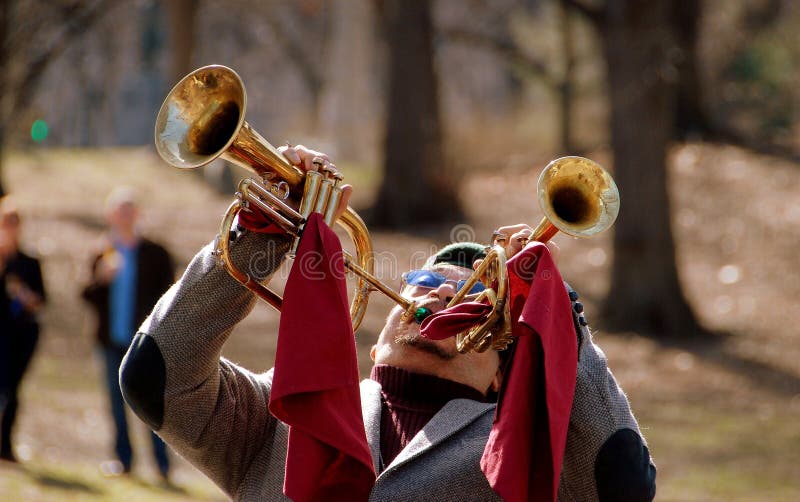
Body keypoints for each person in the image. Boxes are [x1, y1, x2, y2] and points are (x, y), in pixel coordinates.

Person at [119, 146, 656, 500]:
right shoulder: (284, 412)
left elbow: (625, 482)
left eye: (473, 298)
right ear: (378, 341)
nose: (443, 291)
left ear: (501, 375)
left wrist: (560, 320)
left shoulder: (526, 453)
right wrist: (263, 234)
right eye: (425, 281)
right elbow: (155, 374)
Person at [81, 187, 174, 479]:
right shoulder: (102, 252)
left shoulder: (156, 253)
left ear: (137, 214)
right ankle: (124, 462)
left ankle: (162, 466)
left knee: (150, 403)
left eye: (129, 209)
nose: (125, 216)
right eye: (119, 210)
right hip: (110, 341)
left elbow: (170, 297)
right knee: (115, 404)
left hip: (145, 344)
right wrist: (101, 278)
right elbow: (86, 295)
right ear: (111, 216)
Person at [0, 196, 46, 463]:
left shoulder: (29, 263)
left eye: (13, 223)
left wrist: (24, 295)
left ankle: (6, 446)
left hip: (21, 333)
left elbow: (41, 301)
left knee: (13, 389)